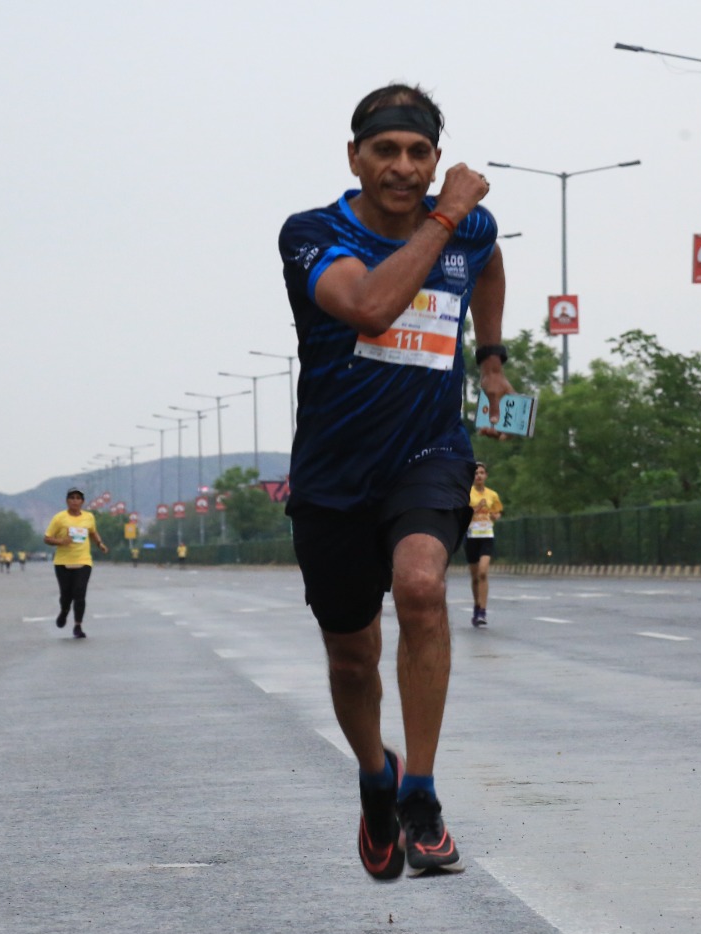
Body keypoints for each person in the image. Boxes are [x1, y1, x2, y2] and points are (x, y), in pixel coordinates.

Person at [278, 83, 511, 877]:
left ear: (435, 159)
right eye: (386, 151)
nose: (403, 168)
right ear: (355, 157)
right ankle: (375, 779)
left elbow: (486, 258)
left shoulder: (467, 228)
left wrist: (491, 354)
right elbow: (374, 307)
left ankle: (420, 790)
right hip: (334, 475)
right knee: (351, 657)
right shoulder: (314, 234)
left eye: (419, 153)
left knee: (420, 585)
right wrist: (445, 215)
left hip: (429, 454)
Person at [43, 489, 108, 638]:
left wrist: (100, 543)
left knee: (80, 593)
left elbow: (92, 532)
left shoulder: (89, 517)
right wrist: (61, 541)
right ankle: (64, 611)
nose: (75, 501)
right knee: (66, 594)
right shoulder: (59, 518)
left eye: (78, 498)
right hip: (63, 562)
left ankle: (78, 625)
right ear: (67, 501)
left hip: (83, 560)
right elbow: (46, 538)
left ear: (82, 502)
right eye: (72, 498)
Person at [465, 461, 502, 626]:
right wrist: (476, 507)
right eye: (475, 473)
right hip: (472, 537)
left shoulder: (492, 494)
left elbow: (497, 512)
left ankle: (483, 611)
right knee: (474, 577)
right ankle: (477, 604)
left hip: (487, 535)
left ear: (486, 476)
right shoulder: (467, 494)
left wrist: (495, 516)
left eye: (481, 473)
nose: (478, 475)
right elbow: (463, 514)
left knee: (483, 573)